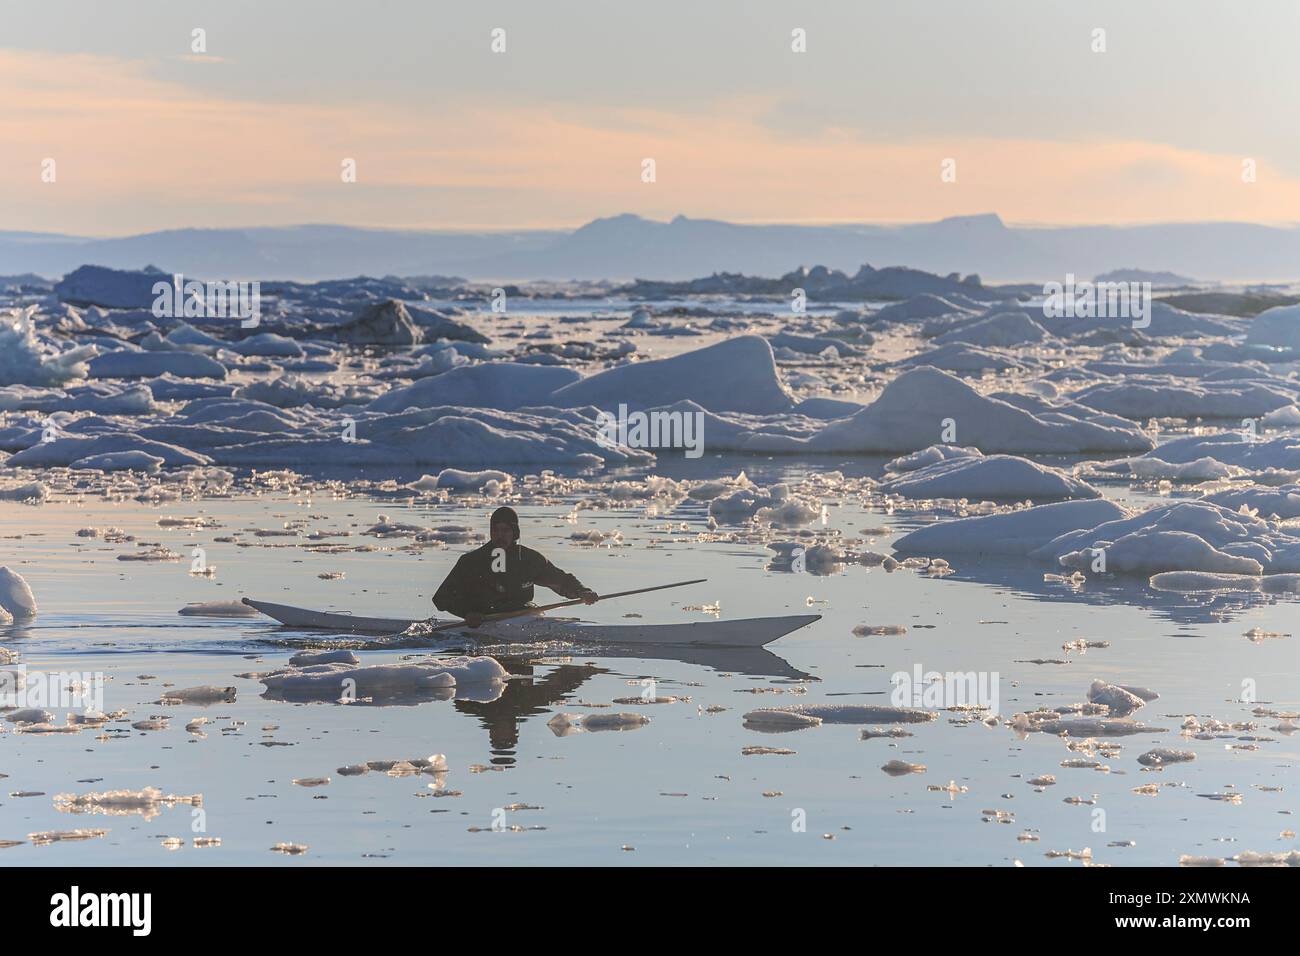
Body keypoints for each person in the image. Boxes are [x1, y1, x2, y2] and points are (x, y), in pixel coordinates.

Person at [433, 506, 598, 627]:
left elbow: (561, 580)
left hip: (523, 619)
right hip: (485, 623)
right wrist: (467, 613)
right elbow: (442, 598)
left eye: (505, 530)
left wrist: (582, 591)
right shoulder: (472, 561)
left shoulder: (528, 558)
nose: (499, 536)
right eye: (495, 531)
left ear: (515, 533)